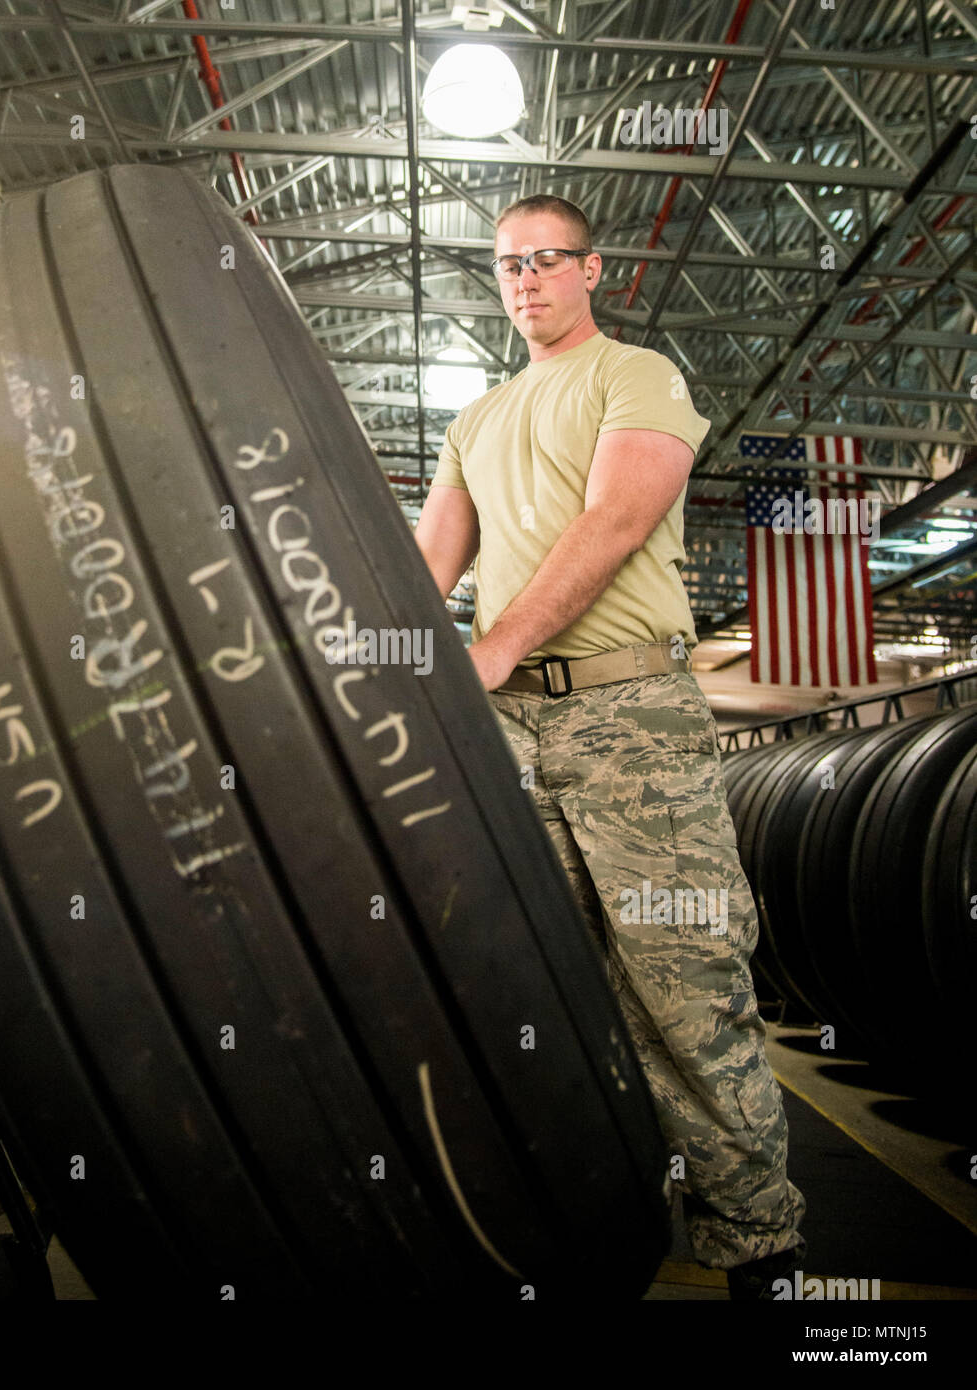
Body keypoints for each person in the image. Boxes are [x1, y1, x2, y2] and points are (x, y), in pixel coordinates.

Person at [414, 193, 807, 1300]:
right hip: (509, 736)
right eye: (505, 265)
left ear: (594, 270)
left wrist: (488, 651)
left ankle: (760, 1261)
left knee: (682, 994)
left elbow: (614, 519)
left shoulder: (636, 376)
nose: (524, 280)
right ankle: (594, 1242)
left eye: (545, 260)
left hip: (627, 720)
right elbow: (417, 574)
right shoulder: (473, 420)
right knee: (545, 995)